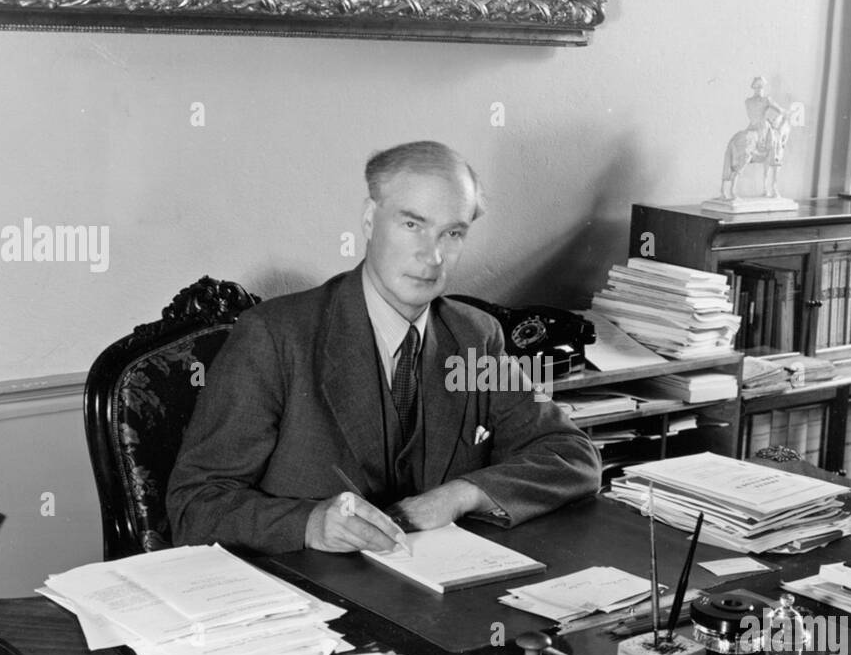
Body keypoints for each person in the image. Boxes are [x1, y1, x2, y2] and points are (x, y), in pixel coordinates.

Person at [167, 141, 601, 557]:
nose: (432, 256)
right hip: (306, 601)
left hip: (433, 599)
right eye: (412, 224)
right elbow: (195, 506)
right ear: (370, 220)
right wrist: (310, 523)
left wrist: (459, 496)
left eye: (452, 233)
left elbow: (572, 456)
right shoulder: (276, 336)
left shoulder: (474, 339)